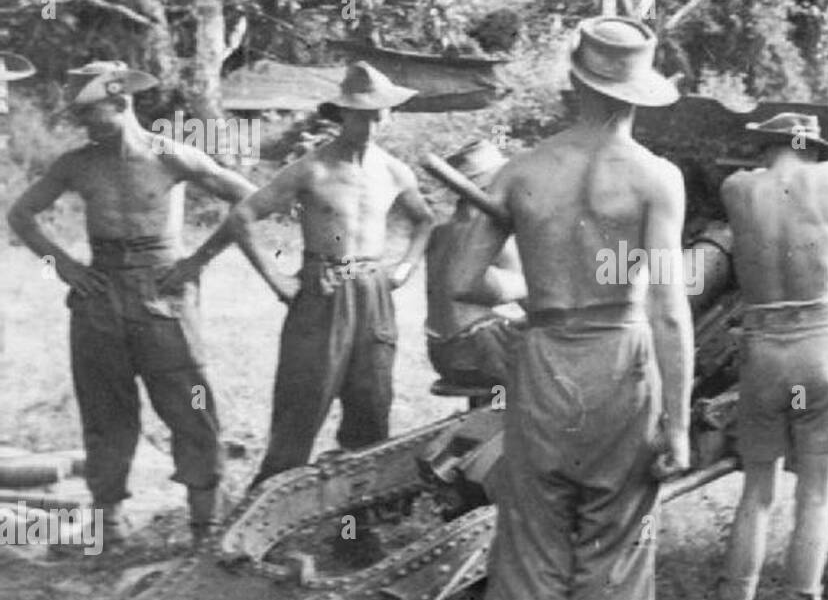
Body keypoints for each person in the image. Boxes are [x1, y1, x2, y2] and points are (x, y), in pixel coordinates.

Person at [448, 16, 693, 600]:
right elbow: (670, 309)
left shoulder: (518, 172)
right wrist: (677, 424)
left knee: (529, 551)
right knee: (615, 553)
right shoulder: (656, 178)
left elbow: (464, 280)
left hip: (545, 366)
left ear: (573, 86)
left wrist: (531, 293)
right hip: (622, 365)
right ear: (636, 95)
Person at [6, 61, 257, 546]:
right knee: (104, 408)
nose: (86, 126)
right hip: (99, 295)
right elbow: (22, 214)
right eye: (81, 118)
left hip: (162, 294)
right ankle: (111, 524)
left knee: (189, 402)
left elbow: (248, 198)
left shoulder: (173, 157)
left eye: (93, 114)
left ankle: (204, 523)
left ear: (122, 103)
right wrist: (66, 267)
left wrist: (197, 260)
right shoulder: (76, 163)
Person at [174, 61, 434, 487]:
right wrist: (278, 280)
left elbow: (424, 221)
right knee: (301, 406)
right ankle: (261, 519)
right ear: (342, 114)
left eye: (377, 115)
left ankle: (356, 524)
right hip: (321, 291)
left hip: (373, 293)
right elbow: (243, 216)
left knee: (371, 407)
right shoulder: (312, 169)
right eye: (360, 115)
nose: (369, 125)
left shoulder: (393, 171)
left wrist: (404, 268)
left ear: (388, 115)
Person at [694, 112, 828, 600]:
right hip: (822, 343)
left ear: (766, 147)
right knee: (814, 495)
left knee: (757, 494)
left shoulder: (738, 187)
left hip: (764, 346)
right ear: (813, 147)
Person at [424, 138, 525, 389]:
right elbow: (533, 302)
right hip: (478, 352)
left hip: (442, 352)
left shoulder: (442, 232)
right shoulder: (488, 233)